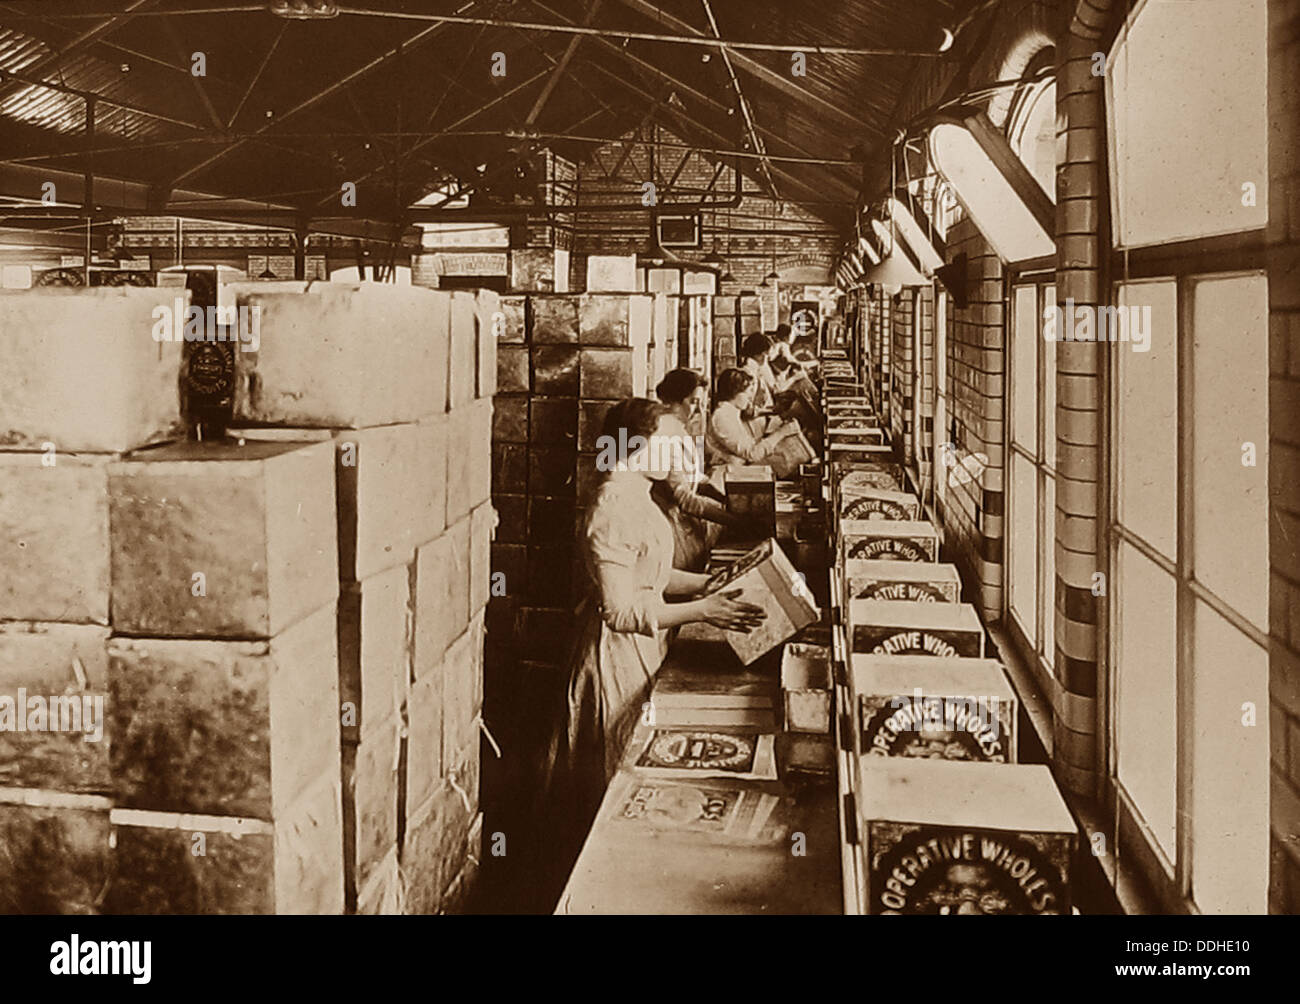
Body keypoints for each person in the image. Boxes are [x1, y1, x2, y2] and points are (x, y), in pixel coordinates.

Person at [537, 397, 766, 891]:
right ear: (635, 445)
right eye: (670, 444)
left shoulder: (639, 494)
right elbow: (619, 611)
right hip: (613, 657)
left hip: (645, 645)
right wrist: (702, 610)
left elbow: (653, 576)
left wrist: (707, 585)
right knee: (610, 770)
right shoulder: (613, 506)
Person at [653, 369, 747, 570]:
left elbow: (694, 476)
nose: (698, 409)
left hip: (685, 522)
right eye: (694, 401)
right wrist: (733, 520)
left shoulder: (679, 429)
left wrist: (725, 500)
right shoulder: (663, 433)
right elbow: (683, 497)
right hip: (670, 524)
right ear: (676, 401)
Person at [706, 367, 802, 472]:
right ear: (736, 392)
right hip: (728, 474)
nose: (751, 396)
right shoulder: (723, 417)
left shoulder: (730, 412)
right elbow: (752, 454)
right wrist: (782, 432)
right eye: (749, 391)